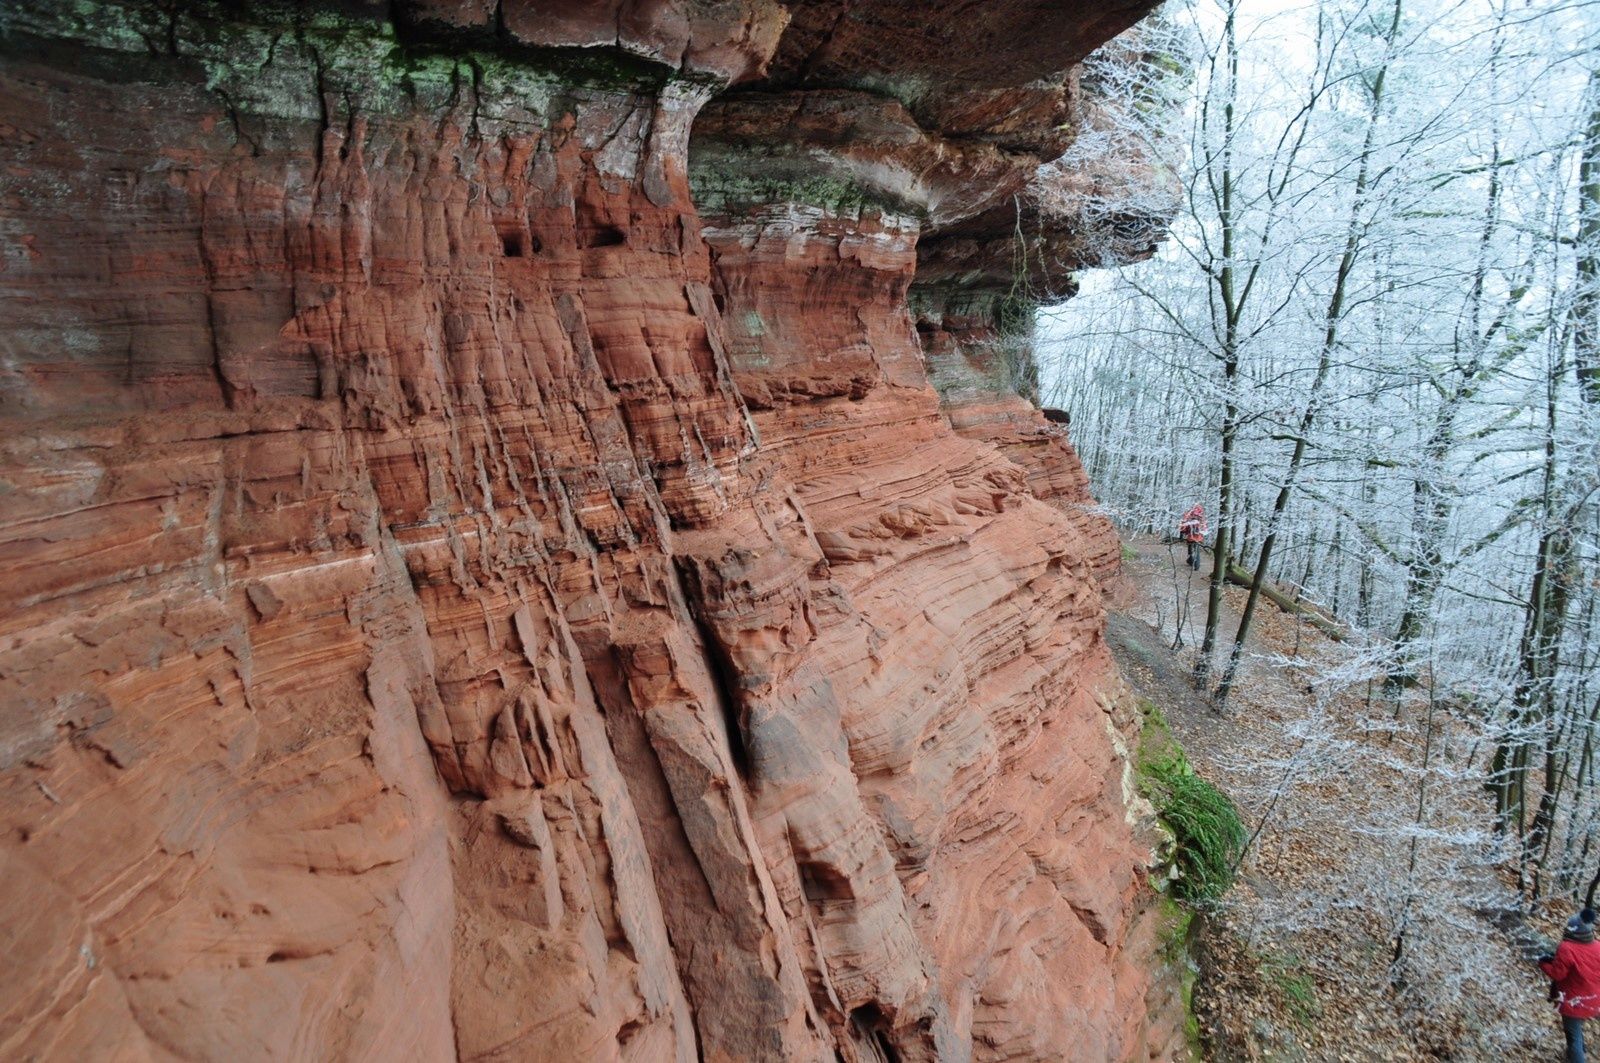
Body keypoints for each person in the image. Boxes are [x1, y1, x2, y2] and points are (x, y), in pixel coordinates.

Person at [1541, 908, 1600, 1062]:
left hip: (1573, 1000)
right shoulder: (1598, 946)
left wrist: (1543, 963)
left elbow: (1557, 974)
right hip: (1594, 999)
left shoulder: (1566, 947)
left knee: (1573, 1035)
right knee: (1577, 1029)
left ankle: (1577, 1057)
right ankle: (1578, 1053)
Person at [1178, 503, 1208, 570]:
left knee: (1190, 547)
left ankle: (1191, 560)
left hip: (1191, 536)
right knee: (1197, 550)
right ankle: (1195, 564)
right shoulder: (1202, 517)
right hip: (1199, 537)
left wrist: (1183, 532)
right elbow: (1205, 527)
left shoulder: (1189, 515)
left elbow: (1183, 526)